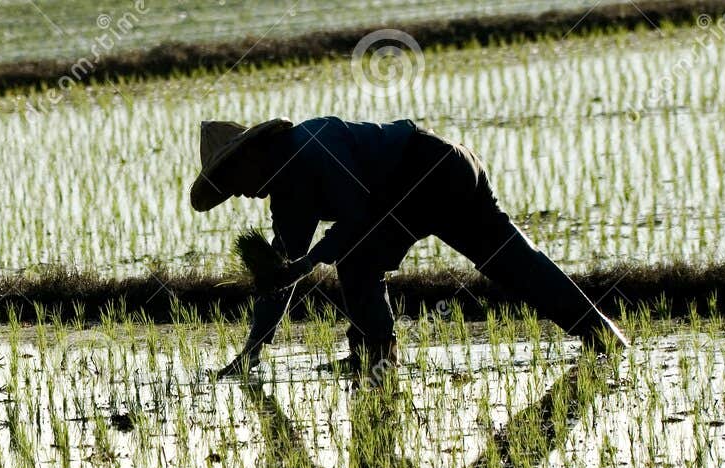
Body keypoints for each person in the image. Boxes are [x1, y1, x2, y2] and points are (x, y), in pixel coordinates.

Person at [189, 116, 628, 377]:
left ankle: (375, 353)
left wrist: (307, 263)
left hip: (431, 170)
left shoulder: (313, 144)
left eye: (232, 178)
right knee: (511, 260)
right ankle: (601, 333)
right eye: (225, 188)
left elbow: (359, 217)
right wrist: (251, 352)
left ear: (251, 154)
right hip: (438, 173)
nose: (238, 193)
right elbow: (278, 278)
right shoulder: (286, 197)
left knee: (359, 258)